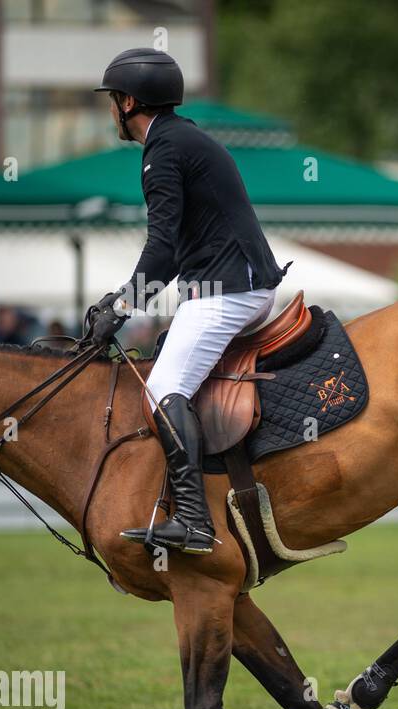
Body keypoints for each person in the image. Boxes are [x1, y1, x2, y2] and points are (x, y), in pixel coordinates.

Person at [83, 48, 286, 555]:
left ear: (129, 102)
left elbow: (163, 246)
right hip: (234, 283)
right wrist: (123, 301)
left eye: (113, 100)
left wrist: (121, 308)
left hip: (230, 290)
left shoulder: (162, 152)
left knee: (162, 387)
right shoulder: (183, 138)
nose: (112, 110)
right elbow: (173, 255)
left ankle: (196, 521)